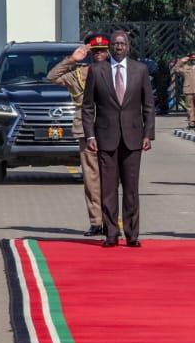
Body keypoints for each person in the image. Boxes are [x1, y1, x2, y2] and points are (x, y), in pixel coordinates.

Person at [81, 29, 155, 247]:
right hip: (105, 137)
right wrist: (90, 135)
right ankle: (111, 233)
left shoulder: (140, 70)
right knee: (108, 188)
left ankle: (132, 234)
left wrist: (148, 134)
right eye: (115, 44)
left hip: (133, 137)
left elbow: (148, 106)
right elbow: (87, 107)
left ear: (128, 47)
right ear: (109, 47)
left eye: (122, 44)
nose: (119, 47)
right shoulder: (97, 70)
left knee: (131, 188)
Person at [48, 33, 110, 236]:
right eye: (95, 51)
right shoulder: (79, 74)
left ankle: (111, 219)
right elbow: (52, 77)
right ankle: (96, 221)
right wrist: (71, 60)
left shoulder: (117, 71)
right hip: (86, 130)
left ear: (108, 52)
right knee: (92, 178)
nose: (99, 54)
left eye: (102, 50)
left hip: (112, 129)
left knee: (112, 176)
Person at [174, 55, 195, 128]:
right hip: (188, 89)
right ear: (190, 60)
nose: (193, 61)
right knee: (189, 106)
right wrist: (181, 61)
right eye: (192, 59)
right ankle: (191, 122)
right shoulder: (185, 67)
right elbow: (176, 69)